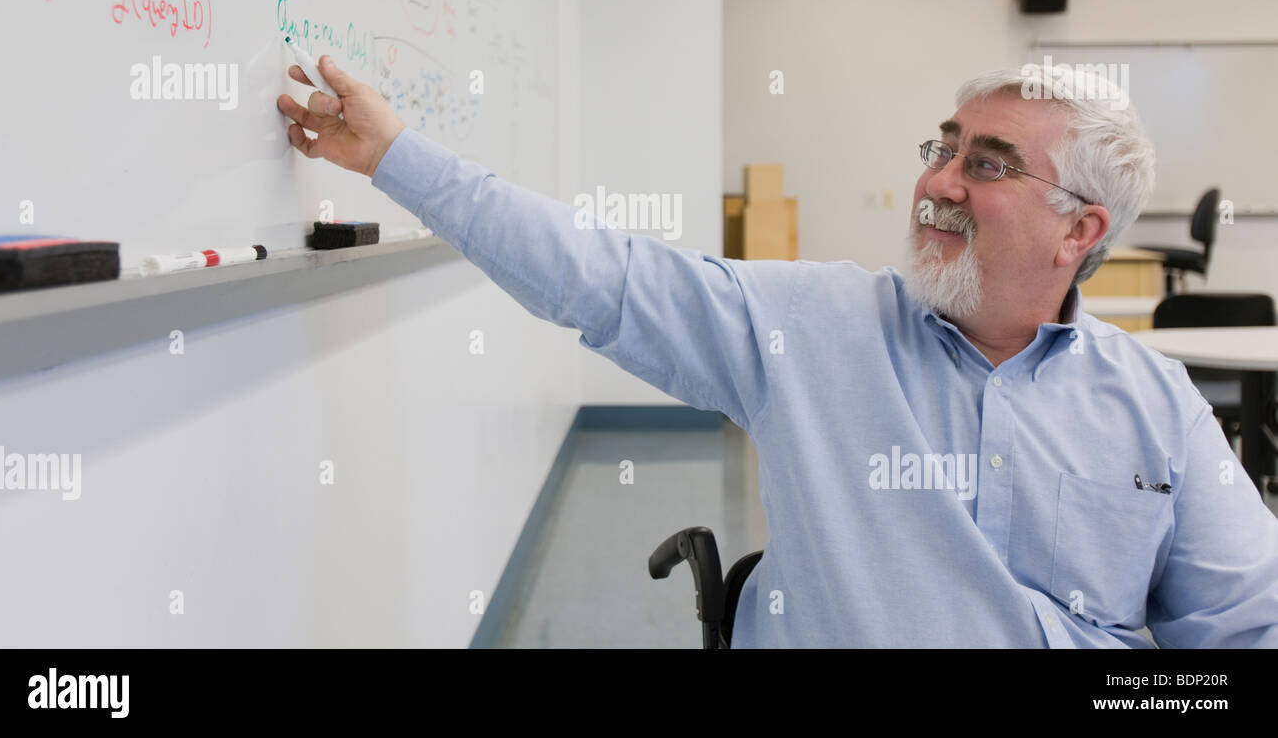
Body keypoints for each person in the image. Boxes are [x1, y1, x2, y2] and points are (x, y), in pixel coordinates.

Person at [277, 58, 1278, 647]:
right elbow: (600, 274)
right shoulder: (818, 328)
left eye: (987, 164)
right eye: (941, 147)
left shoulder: (1157, 405)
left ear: (1077, 229)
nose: (937, 181)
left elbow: (1244, 628)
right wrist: (396, 157)